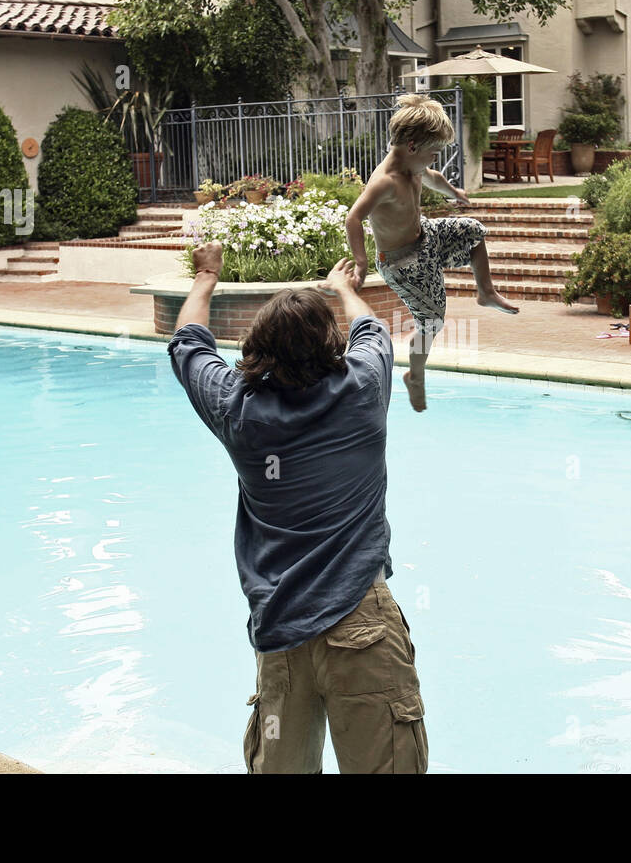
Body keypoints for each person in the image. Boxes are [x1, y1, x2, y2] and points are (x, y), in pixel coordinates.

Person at [166, 241, 428, 774]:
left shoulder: (236, 411)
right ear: (329, 346)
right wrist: (343, 290)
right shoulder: (362, 388)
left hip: (280, 631)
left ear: (258, 349)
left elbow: (188, 343)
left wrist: (207, 276)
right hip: (362, 624)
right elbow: (371, 331)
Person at [344, 92, 518, 412]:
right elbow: (353, 217)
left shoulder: (414, 164)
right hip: (401, 262)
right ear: (412, 146)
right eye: (434, 153)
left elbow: (433, 177)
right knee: (432, 321)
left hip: (426, 236)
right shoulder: (384, 182)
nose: (435, 160)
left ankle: (486, 292)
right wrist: (360, 263)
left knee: (473, 232)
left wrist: (454, 191)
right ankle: (417, 376)